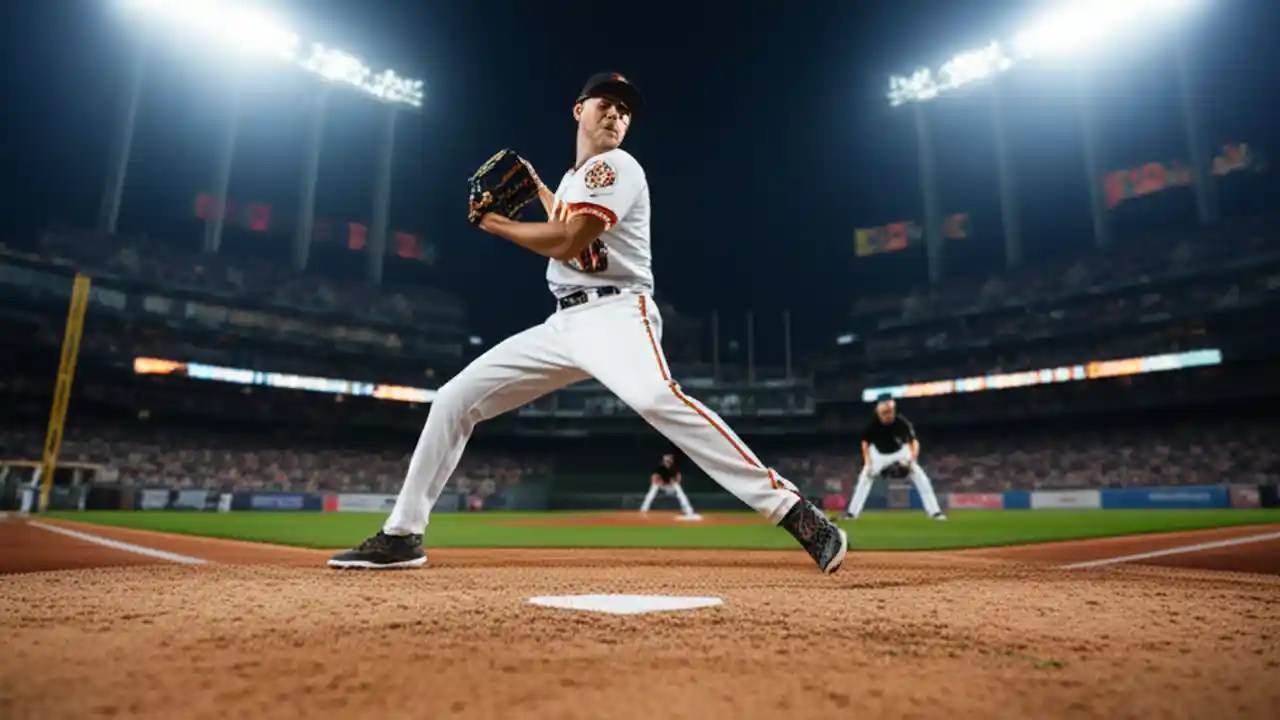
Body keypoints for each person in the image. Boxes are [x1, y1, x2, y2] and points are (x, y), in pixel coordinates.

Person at [329, 72, 846, 573]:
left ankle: (795, 511)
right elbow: (568, 231)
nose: (617, 115)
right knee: (453, 399)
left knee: (655, 399)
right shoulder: (577, 179)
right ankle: (401, 535)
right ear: (580, 110)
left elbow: (568, 242)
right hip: (564, 324)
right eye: (606, 104)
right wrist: (539, 190)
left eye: (625, 111)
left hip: (618, 315)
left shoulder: (617, 167)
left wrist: (497, 224)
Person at [842, 394, 946, 521]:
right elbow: (865, 444)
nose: (888, 415)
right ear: (879, 411)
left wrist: (911, 460)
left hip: (900, 452)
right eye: (885, 412)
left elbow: (914, 443)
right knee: (864, 479)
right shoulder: (872, 425)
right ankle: (852, 513)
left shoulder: (901, 422)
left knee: (921, 478)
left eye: (890, 412)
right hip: (878, 455)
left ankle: (935, 512)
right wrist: (868, 464)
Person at [639, 452, 701, 520]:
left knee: (678, 487)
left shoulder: (674, 468)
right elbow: (653, 478)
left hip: (670, 487)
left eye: (669, 461)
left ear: (671, 461)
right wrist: (658, 482)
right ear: (663, 461)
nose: (667, 462)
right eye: (666, 461)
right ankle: (644, 508)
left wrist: (674, 482)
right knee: (654, 487)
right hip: (661, 486)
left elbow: (679, 477)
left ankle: (687, 509)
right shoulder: (660, 468)